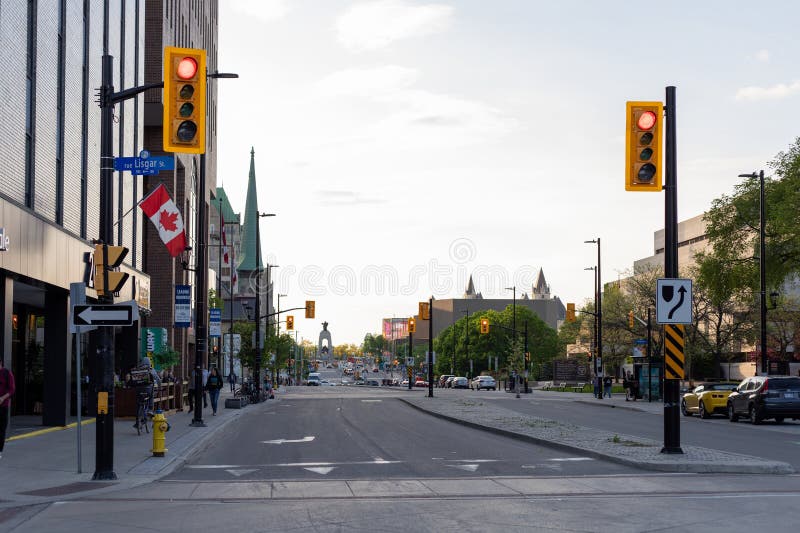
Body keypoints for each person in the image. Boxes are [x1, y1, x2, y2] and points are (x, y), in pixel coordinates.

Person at [0, 359, 16, 459]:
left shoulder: (6, 373)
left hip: (2, 406)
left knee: (1, 429)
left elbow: (12, 389)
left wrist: (2, 398)